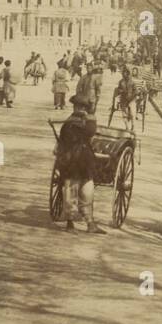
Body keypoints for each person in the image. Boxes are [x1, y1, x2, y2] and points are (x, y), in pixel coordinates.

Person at [57, 96, 103, 233]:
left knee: (83, 191)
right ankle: (74, 223)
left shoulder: (72, 122)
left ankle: (86, 223)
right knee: (76, 190)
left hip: (79, 161)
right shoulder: (77, 122)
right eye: (79, 107)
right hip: (77, 161)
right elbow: (90, 132)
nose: (80, 109)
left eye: (81, 107)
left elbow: (90, 132)